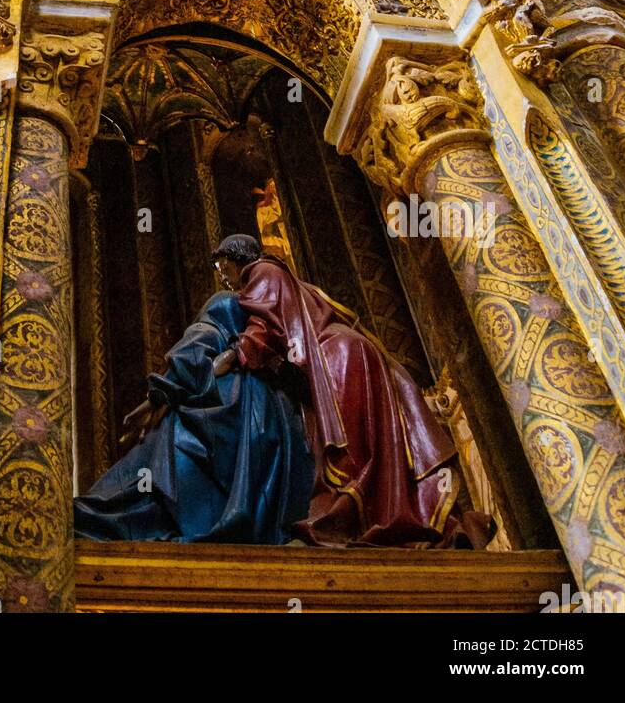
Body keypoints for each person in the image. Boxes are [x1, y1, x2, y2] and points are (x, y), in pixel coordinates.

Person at [211, 233, 493, 548]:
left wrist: (233, 354)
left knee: (348, 451)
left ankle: (339, 522)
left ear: (237, 259)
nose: (223, 276)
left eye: (224, 266)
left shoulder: (261, 272)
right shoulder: (286, 276)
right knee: (375, 443)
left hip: (337, 358)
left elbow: (268, 324)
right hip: (350, 352)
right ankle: (392, 516)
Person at [73, 286, 314, 544]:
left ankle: (108, 517)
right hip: (266, 424)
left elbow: (196, 347)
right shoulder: (282, 400)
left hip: (224, 409)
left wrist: (162, 393)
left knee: (151, 467)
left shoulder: (226, 303)